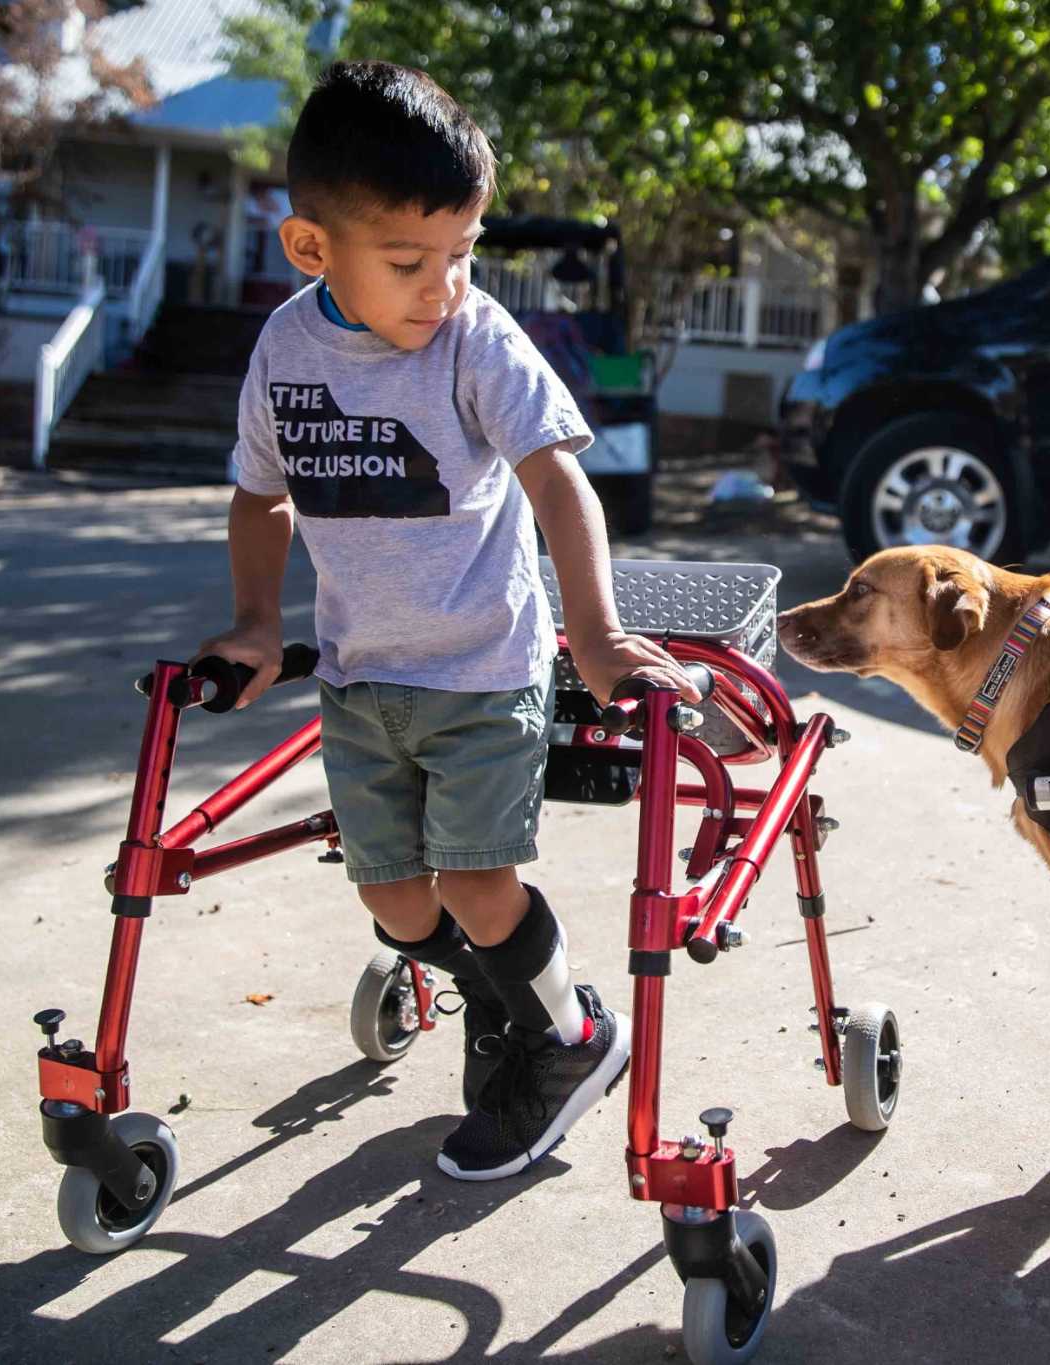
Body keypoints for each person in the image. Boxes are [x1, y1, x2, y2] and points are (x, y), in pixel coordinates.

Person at [196, 59, 696, 1182]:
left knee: (476, 883)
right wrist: (251, 622)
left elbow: (557, 482)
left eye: (463, 255)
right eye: (410, 262)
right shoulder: (285, 348)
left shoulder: (477, 340)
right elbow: (261, 492)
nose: (443, 287)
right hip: (360, 674)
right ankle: (506, 1003)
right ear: (313, 249)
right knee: (392, 899)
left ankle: (568, 1038)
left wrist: (601, 639)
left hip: (481, 666)